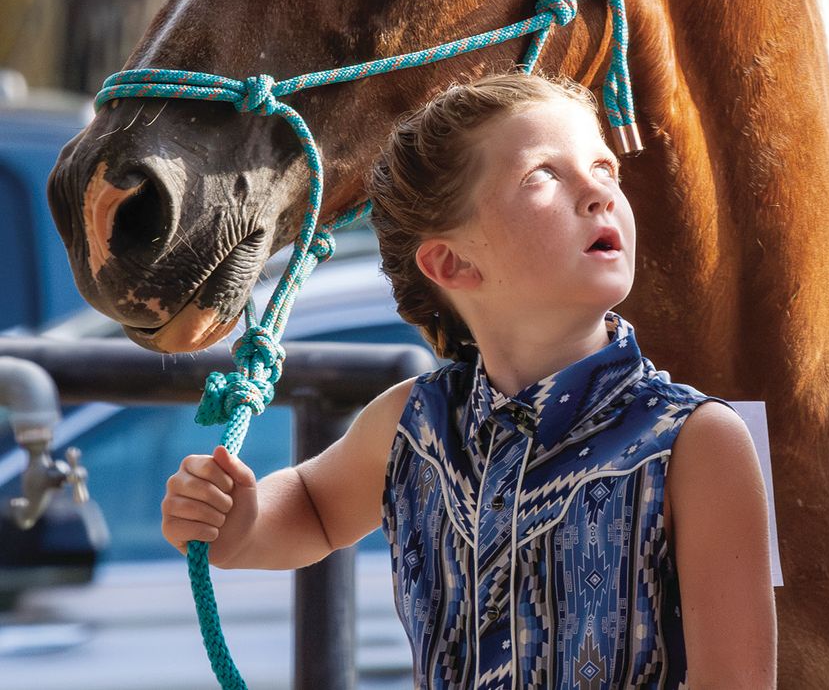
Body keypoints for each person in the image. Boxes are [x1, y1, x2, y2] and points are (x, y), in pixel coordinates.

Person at [161, 73, 777, 688]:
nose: (598, 193)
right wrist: (237, 527)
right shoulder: (414, 422)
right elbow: (315, 508)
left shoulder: (701, 443)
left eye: (604, 168)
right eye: (543, 175)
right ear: (451, 263)